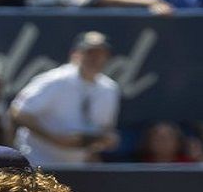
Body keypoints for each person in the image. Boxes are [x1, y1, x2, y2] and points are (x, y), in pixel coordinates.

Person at [9, 31, 121, 166]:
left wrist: (104, 141)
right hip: (38, 163)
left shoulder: (109, 89)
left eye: (101, 54)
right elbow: (18, 112)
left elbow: (104, 129)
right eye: (90, 53)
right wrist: (56, 139)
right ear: (76, 54)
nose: (95, 59)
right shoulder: (55, 80)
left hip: (78, 167)